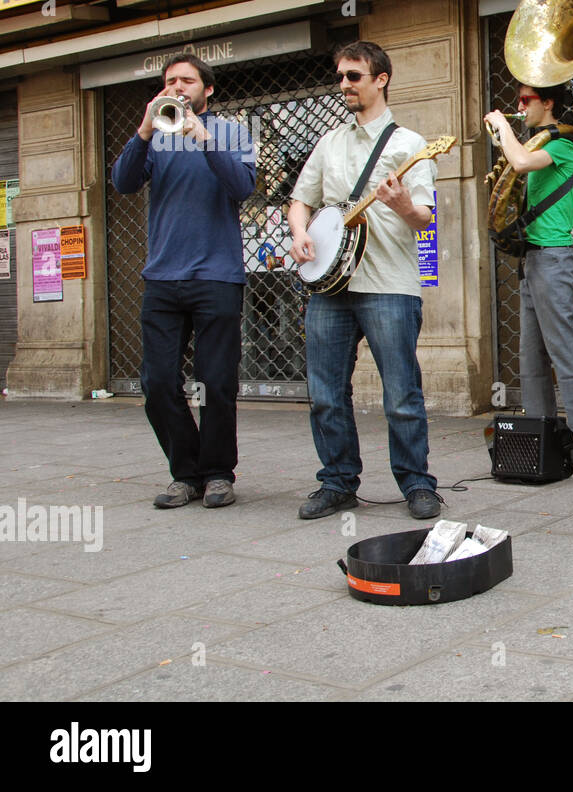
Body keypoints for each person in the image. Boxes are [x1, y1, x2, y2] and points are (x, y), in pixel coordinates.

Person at [288, 41, 440, 520]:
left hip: (389, 284)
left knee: (401, 395)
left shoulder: (409, 145)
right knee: (326, 394)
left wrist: (400, 205)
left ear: (381, 79)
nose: (345, 85)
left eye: (354, 76)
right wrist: (298, 236)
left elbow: (425, 220)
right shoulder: (330, 143)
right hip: (330, 288)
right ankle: (337, 482)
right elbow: (301, 201)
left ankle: (417, 483)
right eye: (340, 76)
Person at [110, 53, 255, 510]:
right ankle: (185, 473)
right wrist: (144, 129)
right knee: (155, 382)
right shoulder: (155, 135)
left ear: (206, 90)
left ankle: (216, 474)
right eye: (170, 81)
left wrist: (205, 138)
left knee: (215, 382)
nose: (177, 87)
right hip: (163, 278)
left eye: (187, 80)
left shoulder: (232, 132)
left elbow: (243, 187)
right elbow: (123, 183)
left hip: (217, 276)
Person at [484, 82, 573, 463]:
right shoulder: (537, 143)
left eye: (526, 100)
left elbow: (518, 163)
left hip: (553, 257)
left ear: (548, 103)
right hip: (533, 258)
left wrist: (502, 127)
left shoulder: (562, 144)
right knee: (530, 355)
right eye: (518, 101)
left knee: (562, 347)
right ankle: (540, 428)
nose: (519, 106)